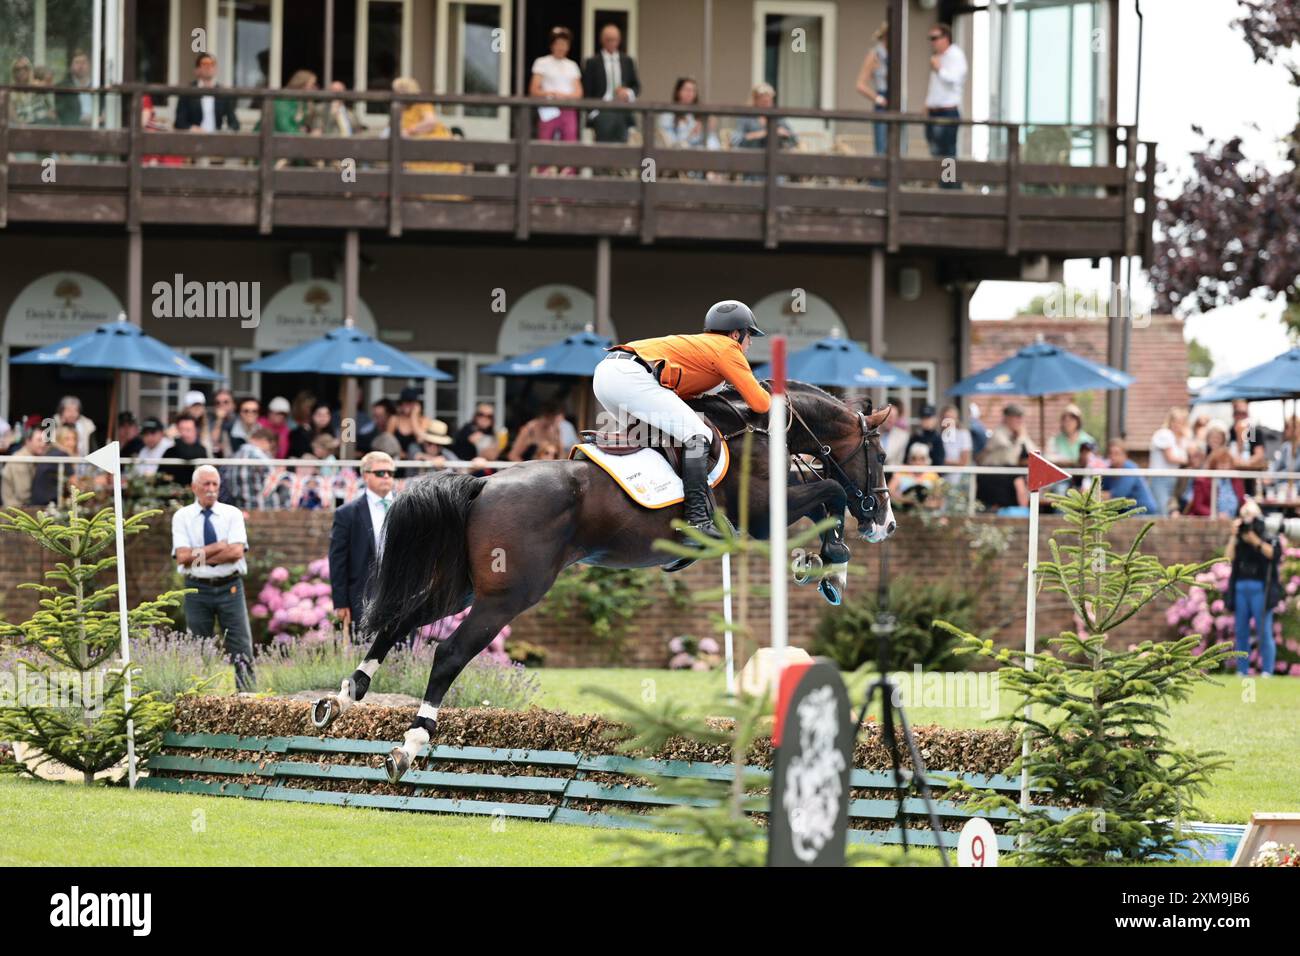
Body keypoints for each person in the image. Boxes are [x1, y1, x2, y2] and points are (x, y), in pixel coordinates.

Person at [592, 300, 771, 540]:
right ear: (736, 334)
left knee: (659, 439)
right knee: (699, 435)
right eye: (749, 336)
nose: (749, 344)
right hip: (632, 377)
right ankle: (697, 520)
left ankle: (659, 511)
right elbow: (760, 403)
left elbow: (682, 397)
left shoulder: (702, 348)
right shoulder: (728, 348)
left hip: (606, 375)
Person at [172, 465, 255, 690]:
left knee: (241, 645)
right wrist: (218, 547)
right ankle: (202, 695)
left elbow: (236, 552)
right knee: (199, 646)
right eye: (205, 484)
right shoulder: (182, 517)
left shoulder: (232, 514)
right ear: (194, 487)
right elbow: (182, 557)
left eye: (214, 484)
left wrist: (199, 554)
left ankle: (247, 696)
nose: (210, 489)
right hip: (197, 589)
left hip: (230, 586)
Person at [329, 451, 396, 639]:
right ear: (366, 475)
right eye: (380, 473)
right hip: (363, 593)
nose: (387, 477)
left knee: (402, 651)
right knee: (364, 653)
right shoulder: (347, 513)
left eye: (391, 473)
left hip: (401, 591)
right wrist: (340, 602)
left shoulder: (407, 506)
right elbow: (338, 561)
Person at [1225, 499, 1283, 677]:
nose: (1247, 519)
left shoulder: (1268, 532)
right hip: (1241, 586)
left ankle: (1267, 670)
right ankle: (1242, 670)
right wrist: (1234, 536)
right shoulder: (1239, 535)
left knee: (1264, 630)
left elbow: (1274, 554)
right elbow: (1228, 558)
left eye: (1250, 515)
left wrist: (1255, 541)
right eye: (1243, 515)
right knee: (1241, 631)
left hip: (1261, 587)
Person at [530, 26, 583, 172]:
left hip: (567, 109)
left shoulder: (572, 65)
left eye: (564, 44)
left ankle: (568, 189)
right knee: (545, 146)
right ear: (552, 45)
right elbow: (534, 90)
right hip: (549, 109)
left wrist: (564, 96)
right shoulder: (542, 62)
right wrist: (551, 93)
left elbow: (578, 92)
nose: (561, 47)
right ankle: (543, 190)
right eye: (558, 43)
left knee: (569, 147)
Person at [924, 24, 967, 189]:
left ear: (945, 38)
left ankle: (952, 189)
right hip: (934, 111)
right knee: (936, 152)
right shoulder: (938, 57)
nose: (932, 42)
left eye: (935, 38)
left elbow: (955, 80)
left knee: (948, 154)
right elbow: (934, 87)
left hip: (948, 111)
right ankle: (943, 186)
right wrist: (927, 105)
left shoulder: (955, 55)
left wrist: (939, 68)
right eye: (931, 39)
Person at [582, 23, 640, 144]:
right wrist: (594, 112)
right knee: (603, 150)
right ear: (602, 40)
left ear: (619, 40)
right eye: (608, 40)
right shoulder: (593, 62)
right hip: (602, 110)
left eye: (615, 40)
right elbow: (587, 90)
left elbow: (637, 86)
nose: (612, 43)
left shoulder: (627, 61)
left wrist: (627, 92)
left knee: (622, 149)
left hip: (622, 109)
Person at [173, 53, 240, 132]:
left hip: (216, 141)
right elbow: (179, 122)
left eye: (212, 64)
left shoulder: (222, 92)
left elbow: (234, 124)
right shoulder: (188, 91)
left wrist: (224, 132)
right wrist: (193, 129)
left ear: (216, 69)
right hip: (194, 140)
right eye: (204, 64)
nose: (208, 67)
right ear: (197, 70)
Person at [855, 21, 891, 156]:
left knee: (898, 147)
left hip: (897, 101)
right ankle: (878, 177)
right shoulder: (875, 54)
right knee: (881, 149)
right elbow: (860, 84)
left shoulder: (897, 54)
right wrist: (878, 99)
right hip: (882, 100)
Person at [657, 77, 720, 152]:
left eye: (693, 91)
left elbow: (708, 137)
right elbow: (671, 143)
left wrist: (707, 126)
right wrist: (692, 133)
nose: (690, 93)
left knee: (711, 139)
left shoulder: (696, 113)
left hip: (702, 152)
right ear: (678, 92)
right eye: (687, 90)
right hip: (681, 154)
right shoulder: (668, 115)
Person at [1100, 439, 1161, 517]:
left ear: (1125, 455)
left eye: (1117, 453)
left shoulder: (1130, 469)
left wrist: (1091, 495)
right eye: (1110, 453)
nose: (1113, 457)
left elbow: (1117, 496)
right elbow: (1102, 490)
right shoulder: (1109, 471)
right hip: (1128, 513)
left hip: (1144, 512)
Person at [1149, 407, 1191, 517]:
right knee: (1161, 509)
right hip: (1160, 478)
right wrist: (1186, 460)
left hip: (1173, 479)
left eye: (1181, 422)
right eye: (1176, 422)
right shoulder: (1164, 434)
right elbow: (1171, 457)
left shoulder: (1180, 438)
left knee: (1170, 510)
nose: (1178, 425)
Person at [732, 83, 797, 151]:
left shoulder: (777, 117)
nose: (767, 104)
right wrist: (766, 133)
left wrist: (785, 134)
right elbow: (736, 140)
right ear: (755, 100)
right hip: (751, 156)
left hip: (776, 156)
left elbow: (794, 140)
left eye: (769, 100)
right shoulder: (746, 117)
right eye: (763, 101)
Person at [1, 428, 47, 507]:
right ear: (28, 441)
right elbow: (23, 495)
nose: (43, 444)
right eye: (39, 440)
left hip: (22, 509)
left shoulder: (32, 457)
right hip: (16, 511)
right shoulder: (20, 459)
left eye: (45, 441)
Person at [889, 442, 942, 510]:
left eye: (922, 459)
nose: (918, 462)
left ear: (927, 460)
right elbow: (890, 492)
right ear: (909, 459)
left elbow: (939, 499)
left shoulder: (933, 475)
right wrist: (905, 500)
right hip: (904, 511)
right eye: (914, 458)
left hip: (927, 512)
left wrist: (926, 504)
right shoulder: (901, 472)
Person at [161, 415, 207, 487]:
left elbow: (187, 455)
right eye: (181, 430)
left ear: (196, 431)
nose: (184, 434)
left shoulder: (201, 450)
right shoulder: (169, 451)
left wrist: (176, 438)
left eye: (188, 430)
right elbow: (161, 475)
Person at [55, 50, 94, 127]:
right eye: (77, 63)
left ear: (89, 65)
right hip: (75, 130)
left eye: (83, 62)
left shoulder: (98, 85)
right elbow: (63, 115)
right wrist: (82, 120)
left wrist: (96, 119)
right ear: (71, 66)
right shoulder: (62, 87)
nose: (81, 66)